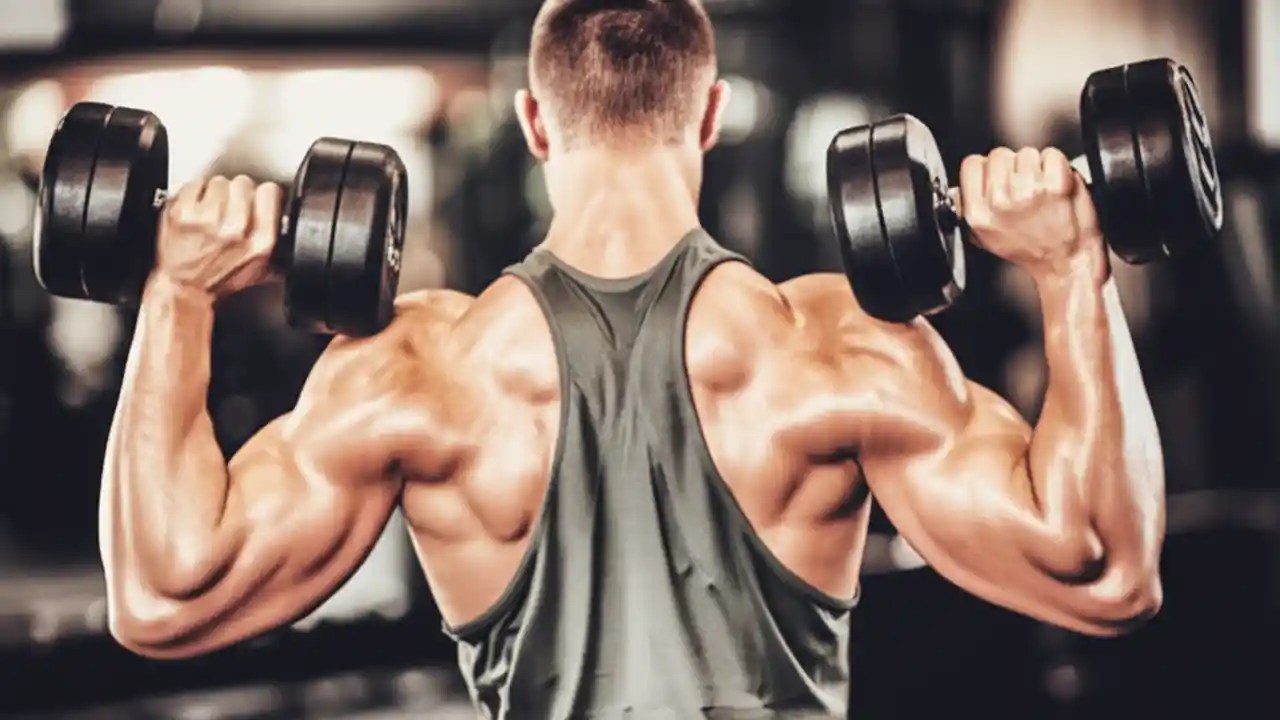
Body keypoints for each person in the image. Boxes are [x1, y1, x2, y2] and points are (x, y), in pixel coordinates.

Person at [100, 0, 1165, 716]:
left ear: (532, 123)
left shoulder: (414, 373)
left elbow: (160, 598)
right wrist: (1070, 268)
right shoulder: (842, 350)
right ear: (708, 114)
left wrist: (177, 293)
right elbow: (1104, 572)